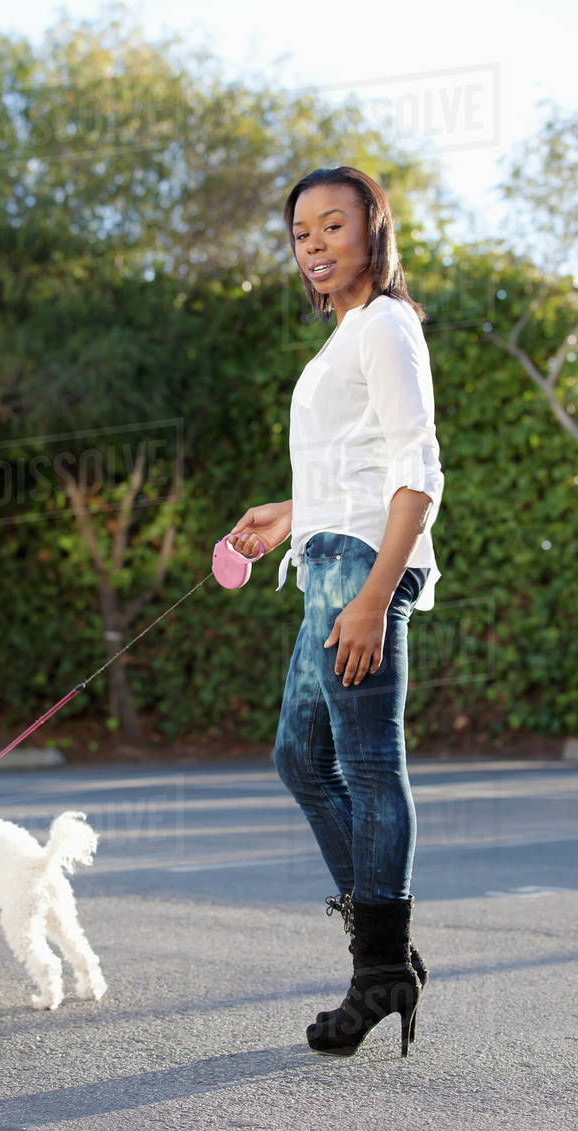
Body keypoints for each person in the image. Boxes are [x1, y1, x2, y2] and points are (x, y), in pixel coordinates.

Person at [230, 165, 444, 1057]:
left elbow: (416, 470)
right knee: (299, 756)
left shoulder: (387, 324)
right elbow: (350, 464)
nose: (314, 246)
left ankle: (380, 967)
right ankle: (383, 953)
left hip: (360, 568)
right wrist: (288, 515)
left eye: (331, 227)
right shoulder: (348, 334)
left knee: (364, 760)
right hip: (326, 558)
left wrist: (372, 595)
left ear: (373, 228)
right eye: (300, 234)